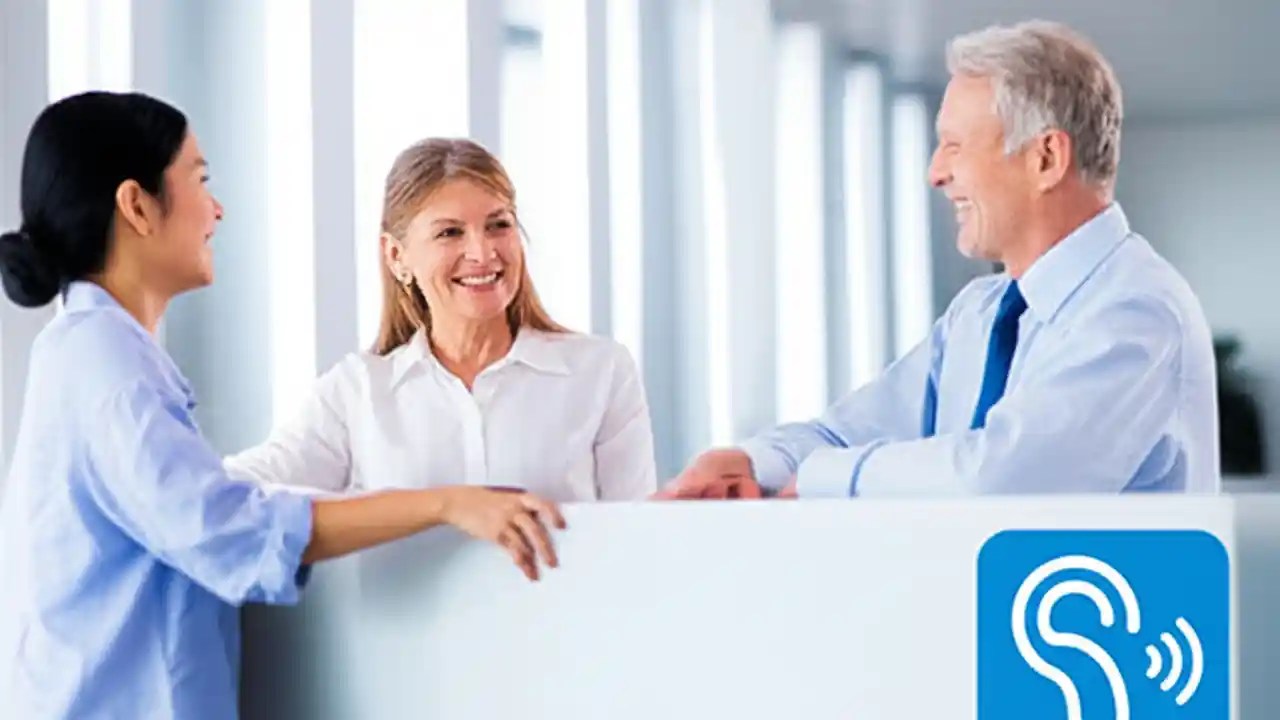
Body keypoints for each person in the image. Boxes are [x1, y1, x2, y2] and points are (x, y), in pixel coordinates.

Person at [0, 92, 565, 720]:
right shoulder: (107, 368)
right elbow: (227, 526)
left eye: (498, 224)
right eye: (200, 179)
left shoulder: (97, 356)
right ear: (137, 205)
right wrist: (445, 502)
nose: (216, 209)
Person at [658, 20, 1220, 500]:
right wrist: (752, 464)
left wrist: (824, 479)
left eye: (954, 145)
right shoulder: (979, 313)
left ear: (1046, 158)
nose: (935, 172)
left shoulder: (1137, 310)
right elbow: (844, 433)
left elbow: (1003, 477)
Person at [224, 139, 656, 502]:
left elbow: (637, 535)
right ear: (397, 257)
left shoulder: (601, 372)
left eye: (498, 225)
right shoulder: (358, 394)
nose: (482, 253)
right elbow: (242, 487)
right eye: (450, 233)